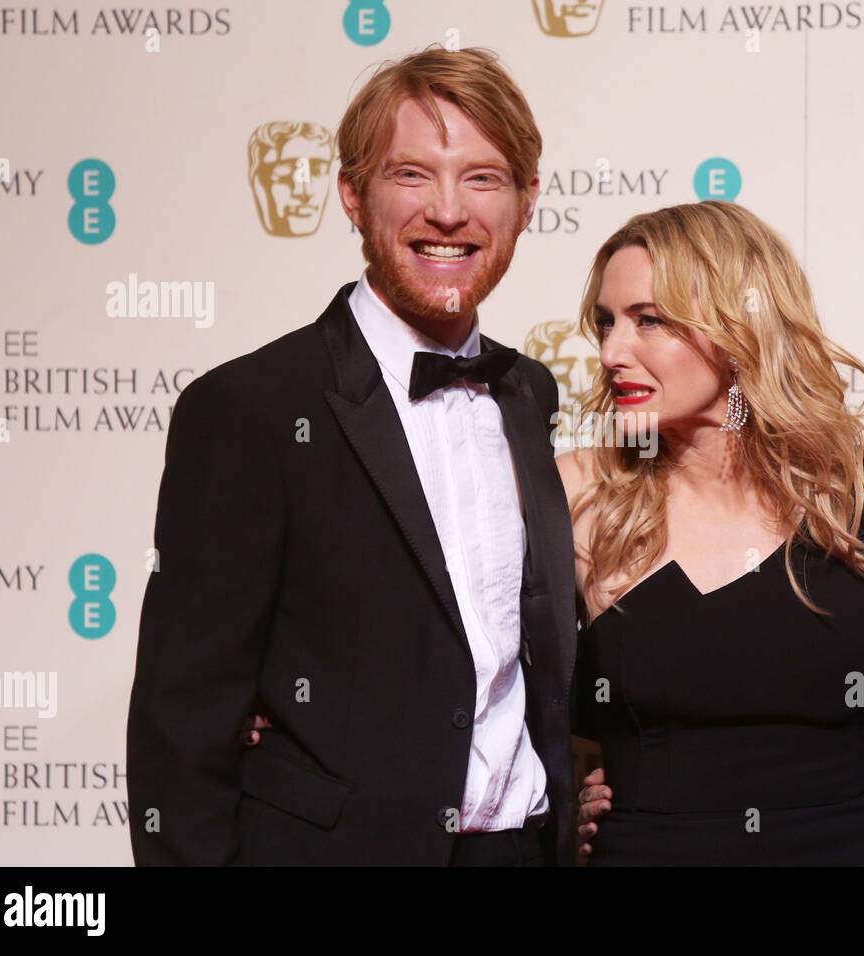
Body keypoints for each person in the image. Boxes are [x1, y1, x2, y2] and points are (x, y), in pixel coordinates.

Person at [126, 46, 579, 866]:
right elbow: (182, 716)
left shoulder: (529, 394)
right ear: (351, 194)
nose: (448, 211)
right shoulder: (251, 409)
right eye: (412, 175)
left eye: (483, 178)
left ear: (527, 202)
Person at [558, 200, 864, 864]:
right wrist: (541, 812)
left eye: (648, 320)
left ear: (740, 326)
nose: (610, 352)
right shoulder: (577, 497)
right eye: (606, 322)